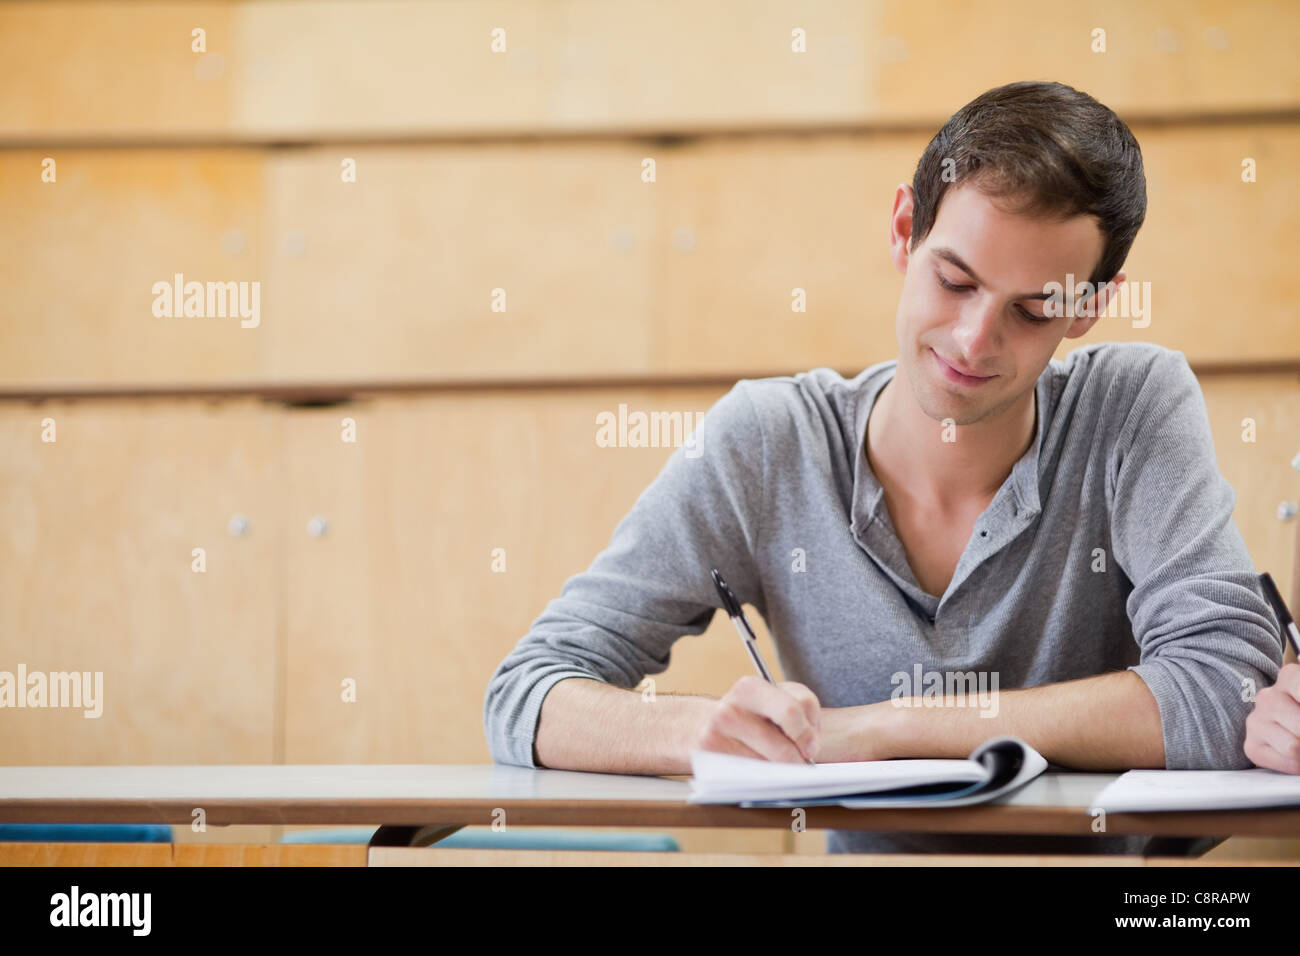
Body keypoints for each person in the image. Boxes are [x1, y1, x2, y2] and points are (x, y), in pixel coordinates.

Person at [484, 80, 1283, 855]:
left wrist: (878, 728)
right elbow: (528, 693)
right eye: (955, 280)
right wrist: (697, 731)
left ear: (1087, 308)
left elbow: (1224, 690)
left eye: (1033, 310)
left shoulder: (1132, 405)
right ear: (905, 230)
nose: (974, 340)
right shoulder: (770, 442)